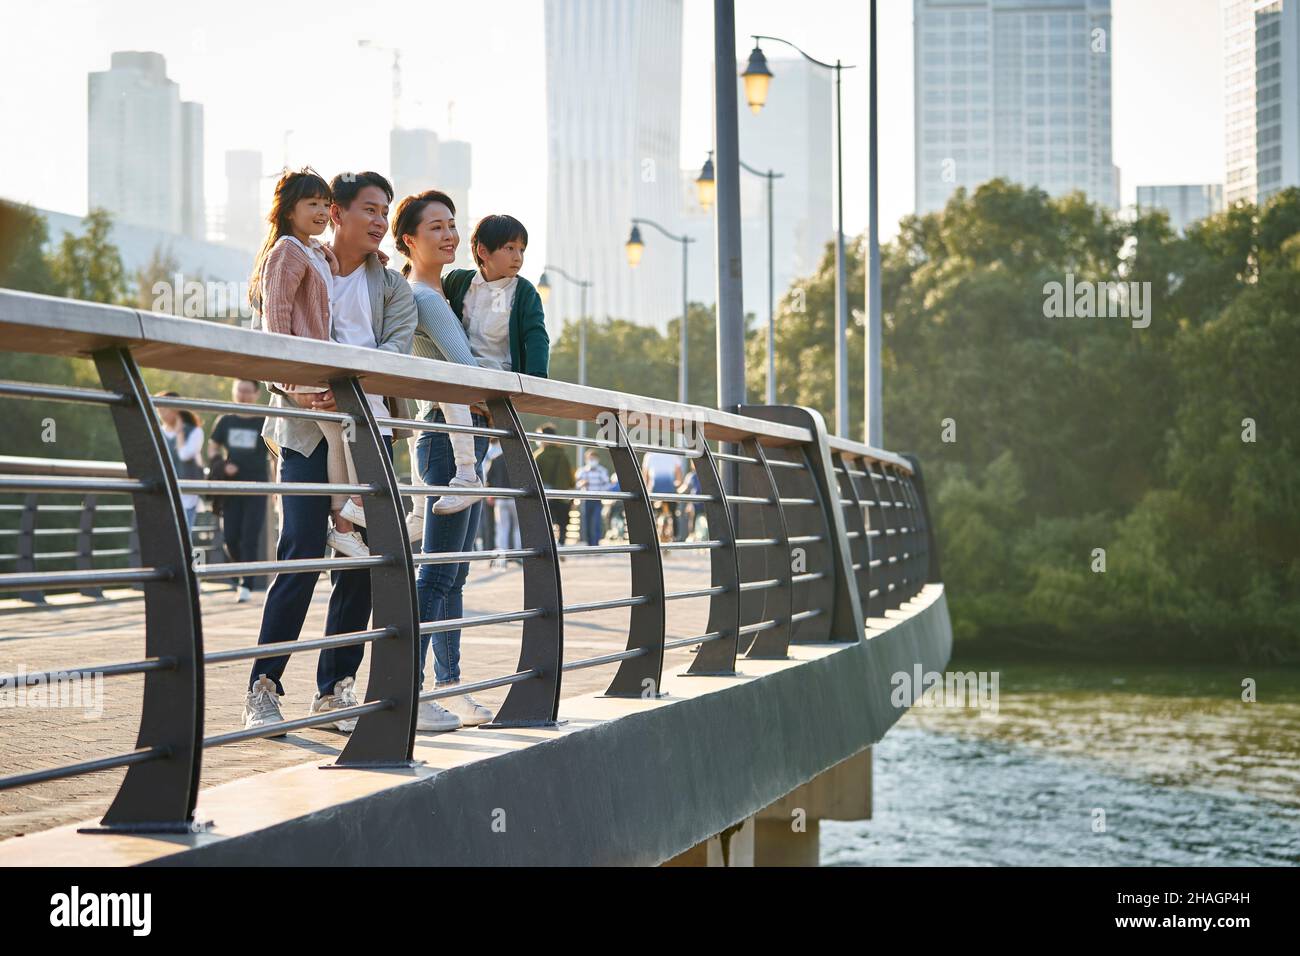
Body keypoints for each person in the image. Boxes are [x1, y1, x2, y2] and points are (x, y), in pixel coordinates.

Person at [242, 170, 417, 735]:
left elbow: (395, 352)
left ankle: (334, 689)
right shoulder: (297, 259)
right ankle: (264, 686)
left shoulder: (391, 286)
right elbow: (274, 337)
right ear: (336, 213)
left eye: (385, 211)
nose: (379, 221)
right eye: (369, 209)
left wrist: (348, 381)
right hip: (305, 430)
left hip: (365, 428)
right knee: (300, 547)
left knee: (358, 559)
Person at [392, 188, 495, 731]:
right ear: (409, 239)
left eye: (453, 224)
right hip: (443, 439)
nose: (450, 234)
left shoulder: (442, 295)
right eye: (435, 227)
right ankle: (408, 692)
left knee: (454, 572)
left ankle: (448, 687)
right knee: (438, 572)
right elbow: (464, 365)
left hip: (460, 436)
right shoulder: (425, 297)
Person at [251, 167, 369, 559]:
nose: (321, 211)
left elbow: (336, 269)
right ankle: (346, 518)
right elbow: (277, 318)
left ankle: (346, 520)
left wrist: (375, 254)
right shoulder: (285, 251)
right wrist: (289, 380)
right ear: (288, 210)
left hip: (317, 367)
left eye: (324, 204)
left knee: (341, 434)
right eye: (311, 204)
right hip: (301, 370)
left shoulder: (314, 250)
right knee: (342, 433)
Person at [207, 379, 269, 602]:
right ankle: (239, 574)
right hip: (231, 486)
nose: (242, 395)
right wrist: (221, 464)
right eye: (238, 391)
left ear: (255, 394)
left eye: (246, 391)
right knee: (231, 536)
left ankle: (247, 584)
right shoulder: (225, 420)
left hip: (257, 486)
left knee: (249, 536)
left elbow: (273, 453)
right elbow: (213, 446)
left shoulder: (263, 421)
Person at [156, 392, 204, 530]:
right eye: (158, 410)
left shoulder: (195, 431)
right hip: (164, 493)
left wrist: (179, 433)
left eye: (164, 409)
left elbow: (184, 455)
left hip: (187, 495)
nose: (160, 413)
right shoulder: (158, 432)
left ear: (176, 409)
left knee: (183, 538)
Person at [534, 425, 574, 546]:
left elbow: (534, 476)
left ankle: (548, 544)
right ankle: (561, 543)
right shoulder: (563, 454)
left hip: (546, 495)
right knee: (562, 521)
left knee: (547, 521)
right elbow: (570, 475)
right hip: (562, 494)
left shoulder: (539, 456)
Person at [486, 439, 518, 565]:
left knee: (502, 528)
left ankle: (502, 558)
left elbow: (489, 479)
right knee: (517, 528)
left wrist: (490, 496)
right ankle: (518, 555)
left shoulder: (496, 459)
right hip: (515, 498)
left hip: (500, 498)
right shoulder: (517, 462)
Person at [643, 450, 683, 545]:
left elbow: (645, 475)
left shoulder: (649, 455)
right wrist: (677, 485)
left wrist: (646, 488)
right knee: (673, 513)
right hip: (670, 487)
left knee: (652, 513)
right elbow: (679, 473)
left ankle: (650, 535)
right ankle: (675, 537)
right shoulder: (672, 454)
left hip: (655, 488)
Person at [575, 450, 611, 546]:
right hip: (586, 500)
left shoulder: (602, 471)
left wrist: (600, 491)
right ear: (586, 459)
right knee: (586, 522)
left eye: (594, 458)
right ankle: (589, 544)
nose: (592, 460)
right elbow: (576, 485)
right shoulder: (582, 471)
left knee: (596, 521)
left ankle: (596, 543)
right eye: (590, 458)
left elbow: (607, 485)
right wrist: (581, 483)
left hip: (597, 499)